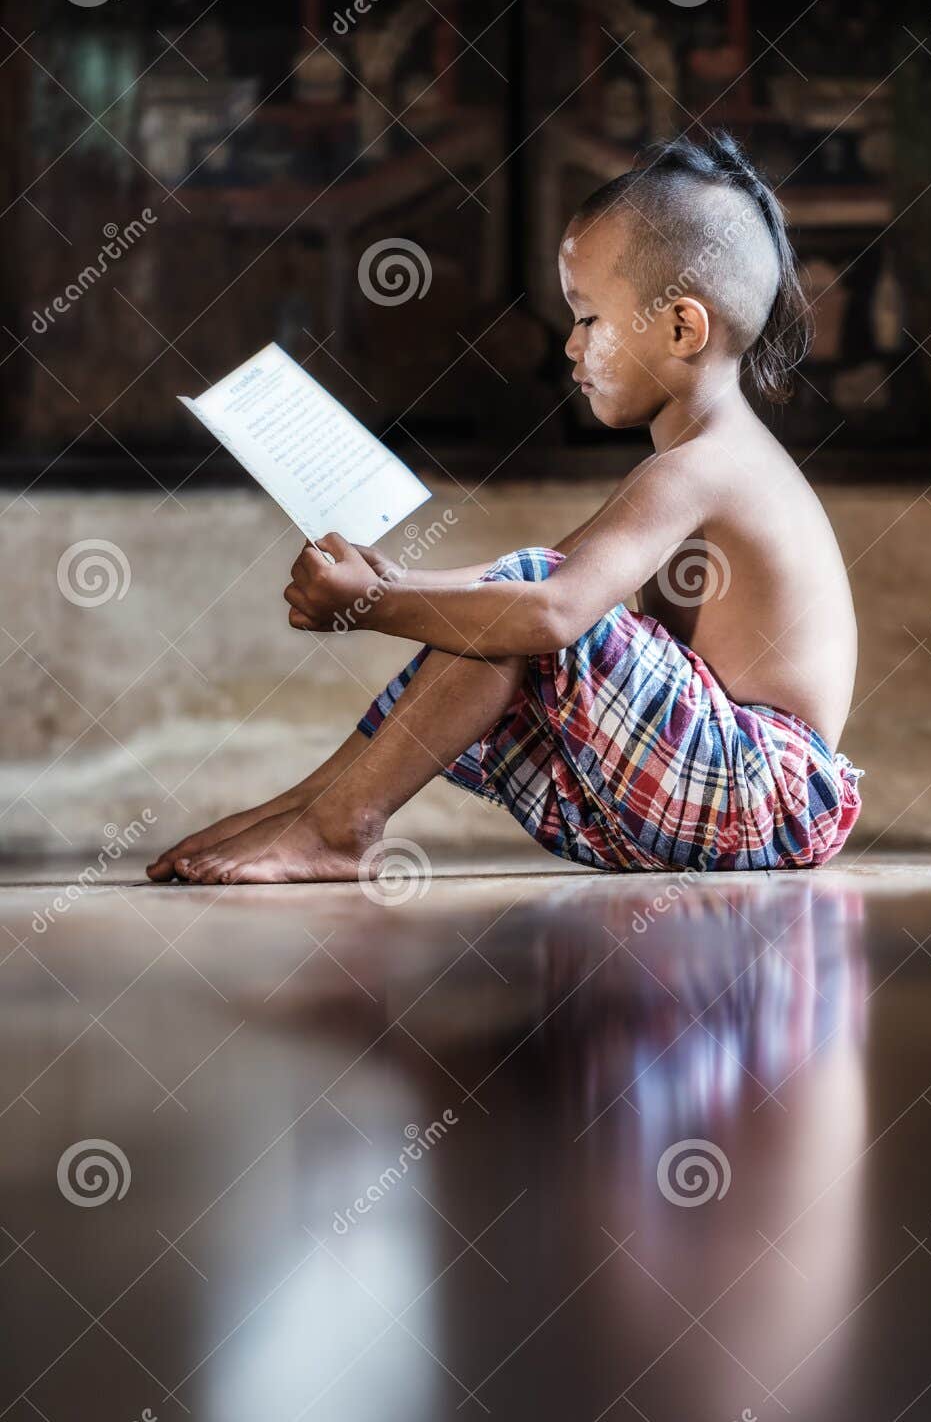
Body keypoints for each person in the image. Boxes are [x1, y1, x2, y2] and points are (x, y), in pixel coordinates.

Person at [148, 129, 863, 885]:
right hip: (723, 795)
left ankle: (341, 823)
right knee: (507, 606)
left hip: (767, 792)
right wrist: (392, 583)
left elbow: (550, 610)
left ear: (682, 327)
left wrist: (378, 605)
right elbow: (529, 597)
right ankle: (311, 808)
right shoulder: (693, 461)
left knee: (527, 601)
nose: (571, 347)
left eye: (589, 320)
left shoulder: (701, 467)